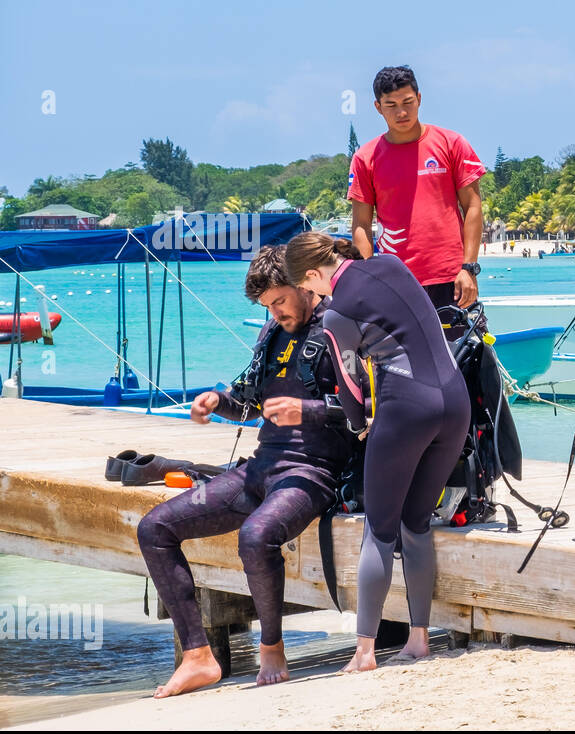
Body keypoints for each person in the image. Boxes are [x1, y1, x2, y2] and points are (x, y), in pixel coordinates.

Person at [136, 246, 355, 697]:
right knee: (154, 527)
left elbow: (366, 409)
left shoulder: (339, 328)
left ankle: (272, 646)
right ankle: (198, 657)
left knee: (256, 536)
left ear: (302, 285)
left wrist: (307, 411)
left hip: (313, 473)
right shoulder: (272, 334)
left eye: (278, 301)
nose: (274, 312)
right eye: (266, 307)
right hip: (260, 469)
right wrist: (218, 403)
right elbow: (250, 403)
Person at [284, 232, 471, 673]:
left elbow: (350, 384)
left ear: (313, 274)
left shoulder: (337, 314)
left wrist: (358, 425)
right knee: (417, 522)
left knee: (380, 530)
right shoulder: (391, 264)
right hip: (455, 403)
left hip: (407, 409)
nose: (313, 296)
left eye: (309, 289)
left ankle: (365, 651)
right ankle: (420, 639)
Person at [347, 65, 486, 313]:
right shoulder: (365, 158)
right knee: (396, 354)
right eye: (391, 105)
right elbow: (361, 225)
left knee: (465, 351)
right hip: (394, 282)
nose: (401, 112)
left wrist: (469, 267)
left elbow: (473, 207)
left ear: (419, 99)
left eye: (408, 102)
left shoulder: (452, 143)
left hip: (452, 278)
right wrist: (368, 279)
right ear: (378, 107)